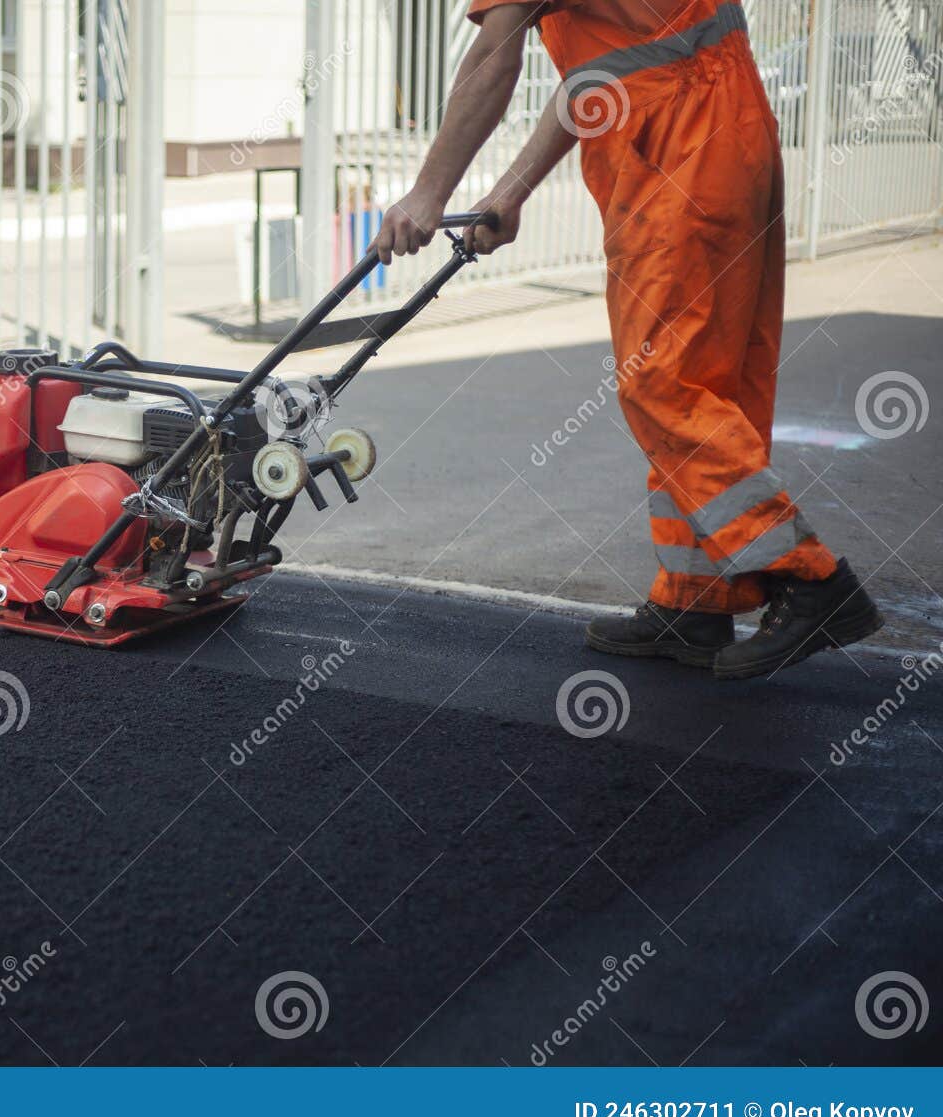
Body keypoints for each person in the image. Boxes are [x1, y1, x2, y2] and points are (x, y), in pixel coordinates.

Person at [371, 0, 882, 679]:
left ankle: (808, 579)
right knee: (707, 381)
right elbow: (598, 73)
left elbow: (494, 58)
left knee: (661, 380)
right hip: (726, 129)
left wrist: (428, 193)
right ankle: (699, 598)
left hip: (679, 148)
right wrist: (510, 192)